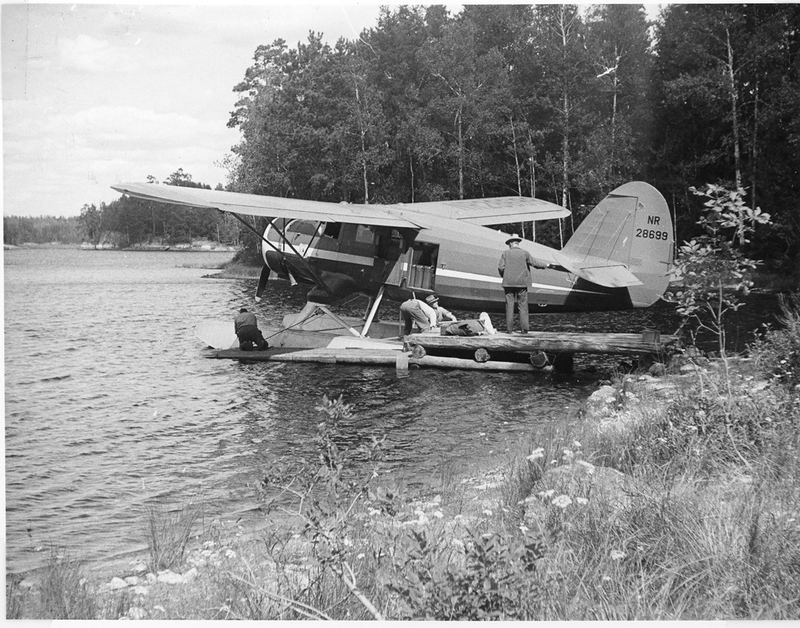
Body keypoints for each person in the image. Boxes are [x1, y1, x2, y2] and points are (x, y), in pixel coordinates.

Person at [498, 234, 547, 334]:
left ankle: (509, 330)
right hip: (522, 284)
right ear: (517, 243)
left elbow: (501, 267)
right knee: (523, 306)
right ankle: (524, 329)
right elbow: (535, 263)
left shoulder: (505, 253)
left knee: (509, 306)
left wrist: (506, 276)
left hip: (508, 284)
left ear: (511, 243)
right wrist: (545, 265)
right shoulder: (525, 253)